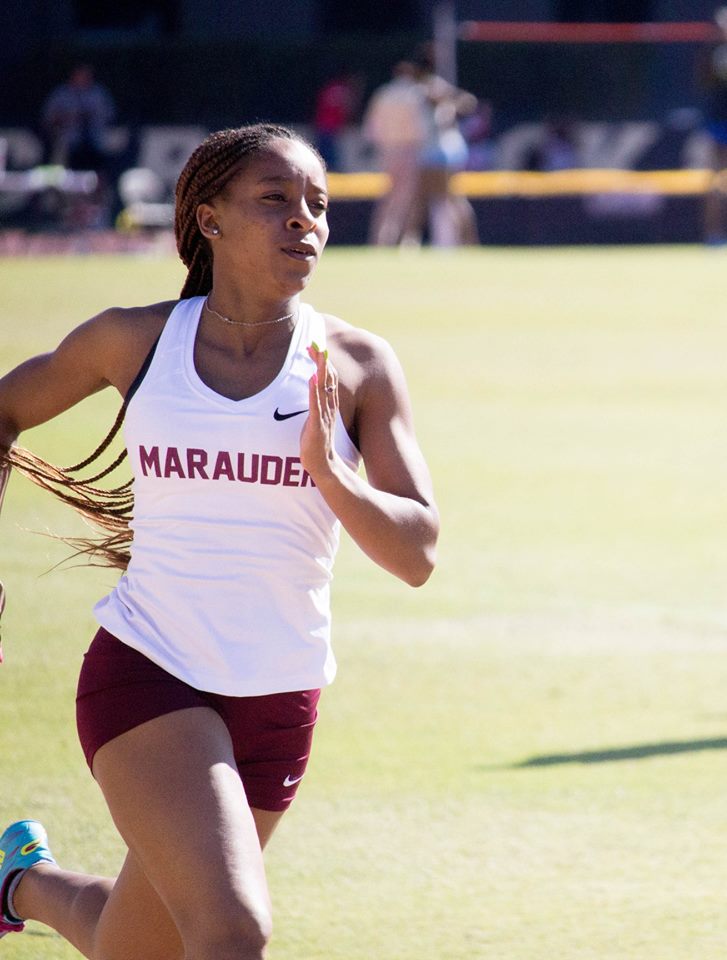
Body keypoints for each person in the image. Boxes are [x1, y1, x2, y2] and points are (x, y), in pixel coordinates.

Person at [0, 123, 439, 960]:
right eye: (274, 201)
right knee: (232, 931)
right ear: (208, 220)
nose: (302, 222)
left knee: (141, 946)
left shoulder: (357, 365)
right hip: (150, 671)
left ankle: (20, 883)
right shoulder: (135, 340)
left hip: (281, 697)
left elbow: (417, 555)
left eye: (317, 205)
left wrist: (332, 475)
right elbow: (5, 410)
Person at [407, 49, 479, 247]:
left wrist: (449, 105)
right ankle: (468, 241)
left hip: (438, 151)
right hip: (445, 148)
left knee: (435, 198)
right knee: (451, 198)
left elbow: (468, 101)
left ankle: (413, 242)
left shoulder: (430, 87)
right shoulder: (430, 87)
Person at [361, 61, 428, 246]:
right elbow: (420, 129)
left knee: (389, 197)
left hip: (387, 150)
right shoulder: (414, 94)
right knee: (406, 197)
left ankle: (381, 239)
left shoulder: (383, 93)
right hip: (408, 148)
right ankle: (406, 240)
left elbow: (370, 127)